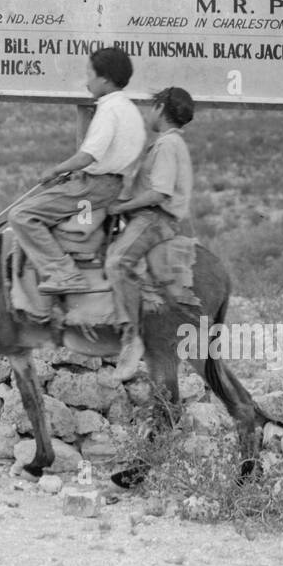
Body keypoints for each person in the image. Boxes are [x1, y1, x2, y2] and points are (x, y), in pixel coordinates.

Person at [9, 47, 145, 296]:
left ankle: (64, 274)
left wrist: (55, 170)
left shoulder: (109, 110)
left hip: (95, 185)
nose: (87, 81)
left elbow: (88, 156)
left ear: (104, 78)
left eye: (89, 74)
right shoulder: (129, 109)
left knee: (21, 214)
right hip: (112, 182)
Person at [105, 86, 197, 381]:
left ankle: (133, 338)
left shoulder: (168, 145)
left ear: (160, 108)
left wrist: (122, 206)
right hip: (152, 216)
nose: (148, 112)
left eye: (151, 106)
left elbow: (159, 193)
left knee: (116, 262)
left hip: (155, 219)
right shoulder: (168, 143)